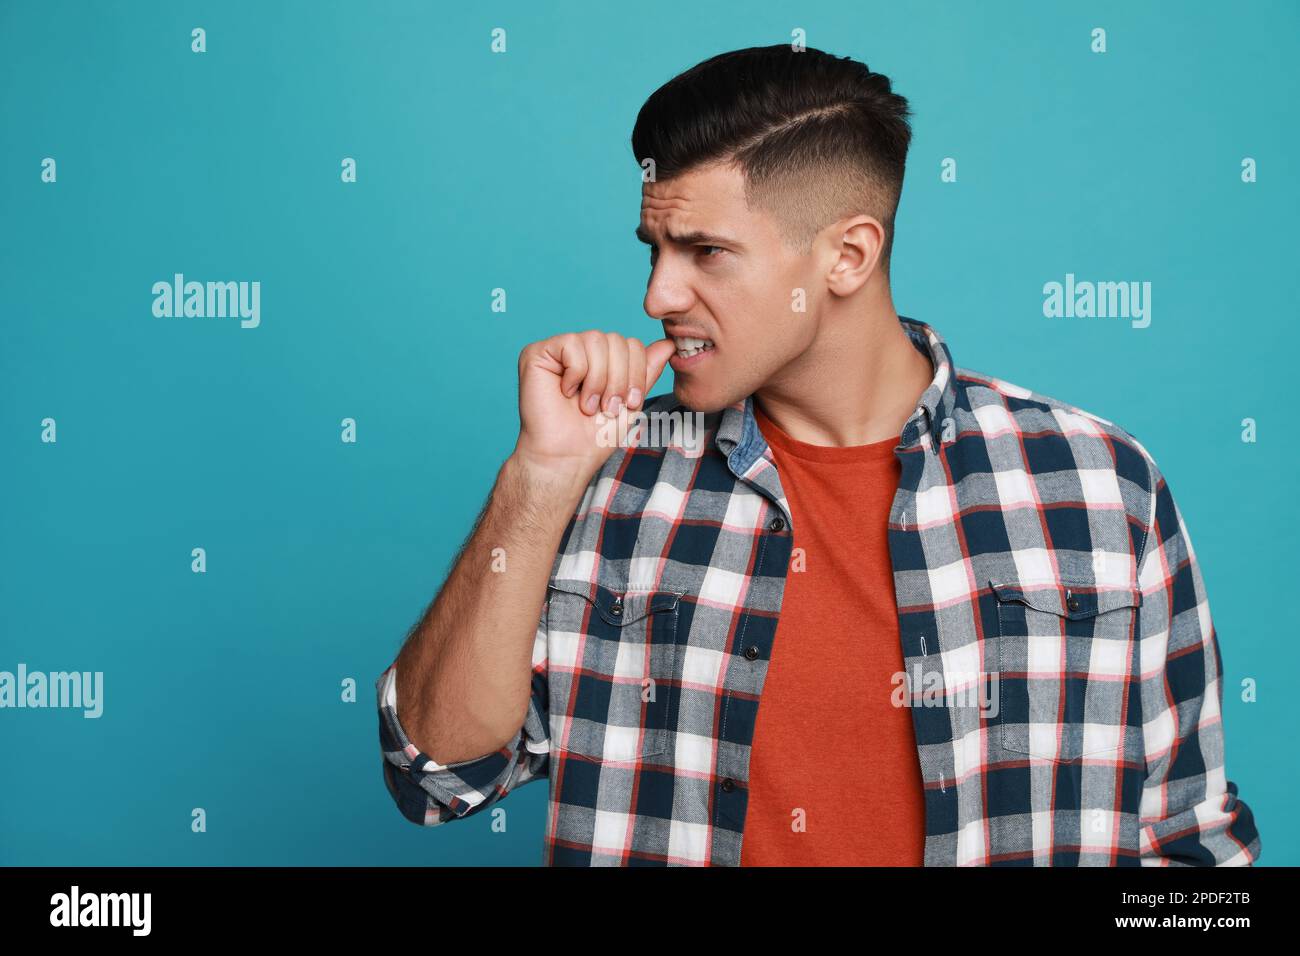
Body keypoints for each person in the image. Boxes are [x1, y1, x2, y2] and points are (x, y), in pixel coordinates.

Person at [376, 44, 1261, 866]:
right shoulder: (608, 475)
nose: (657, 295)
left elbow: (1194, 853)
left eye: (706, 252)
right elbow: (437, 776)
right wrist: (539, 477)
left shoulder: (1098, 487)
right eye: (655, 250)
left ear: (847, 255)